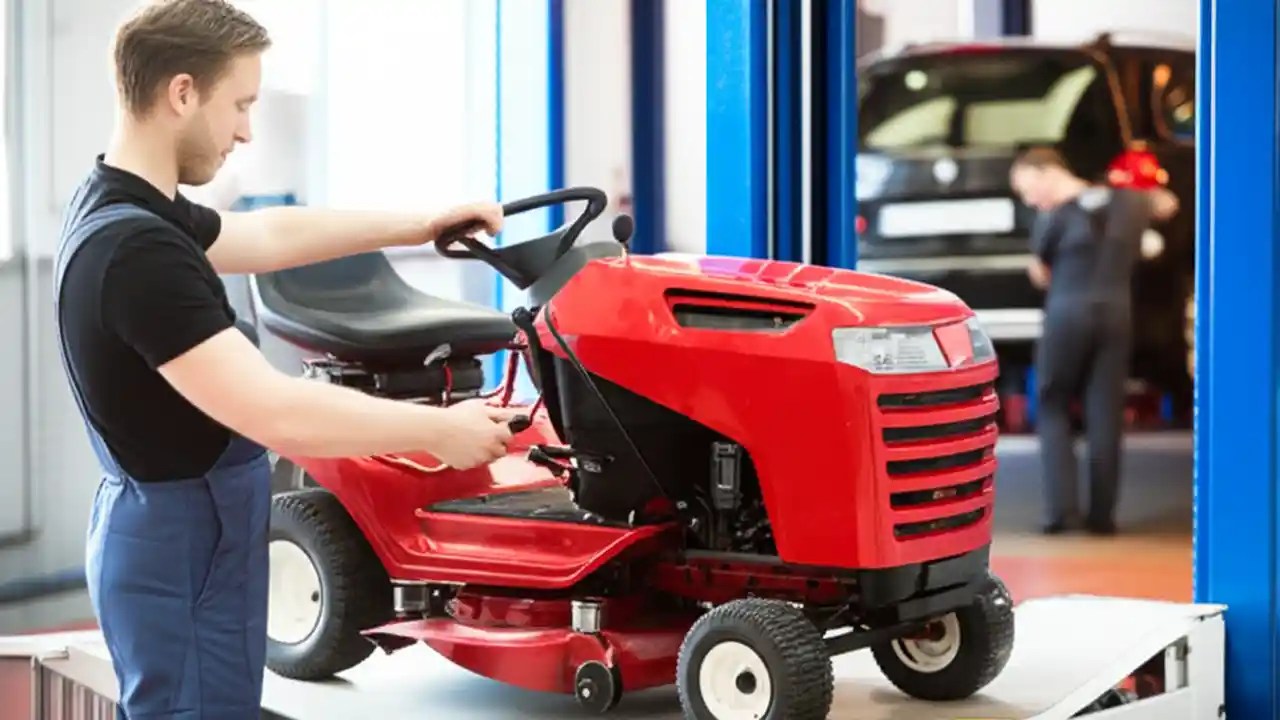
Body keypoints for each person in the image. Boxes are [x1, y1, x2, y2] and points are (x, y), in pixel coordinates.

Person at [53, 1, 521, 717]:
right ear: (182, 93)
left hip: (180, 536)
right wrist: (439, 431)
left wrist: (421, 225)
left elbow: (265, 235)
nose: (245, 129)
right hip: (182, 548)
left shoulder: (125, 201)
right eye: (239, 104)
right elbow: (276, 411)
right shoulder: (137, 253)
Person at [1008, 146, 1178, 536]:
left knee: (1051, 404)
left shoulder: (1055, 217)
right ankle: (1102, 516)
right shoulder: (1130, 202)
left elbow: (1040, 273)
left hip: (1067, 313)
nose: (1029, 199)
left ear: (1046, 172)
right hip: (1117, 316)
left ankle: (1060, 513)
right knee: (1104, 412)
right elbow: (1167, 205)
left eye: (1027, 189)